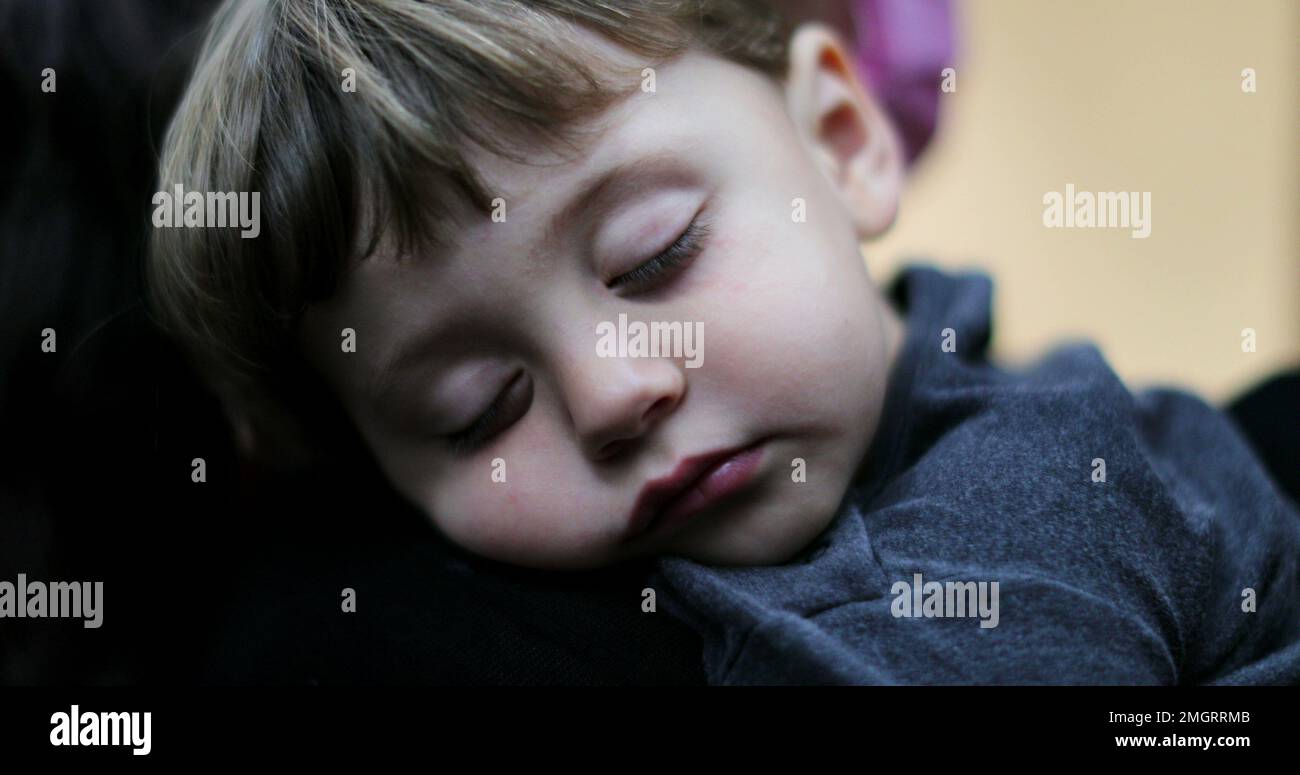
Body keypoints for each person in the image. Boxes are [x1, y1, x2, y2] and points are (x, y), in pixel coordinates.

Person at [146, 0, 1300, 684]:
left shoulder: (1043, 502)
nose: (611, 395)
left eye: (654, 256)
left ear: (844, 142)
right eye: (477, 407)